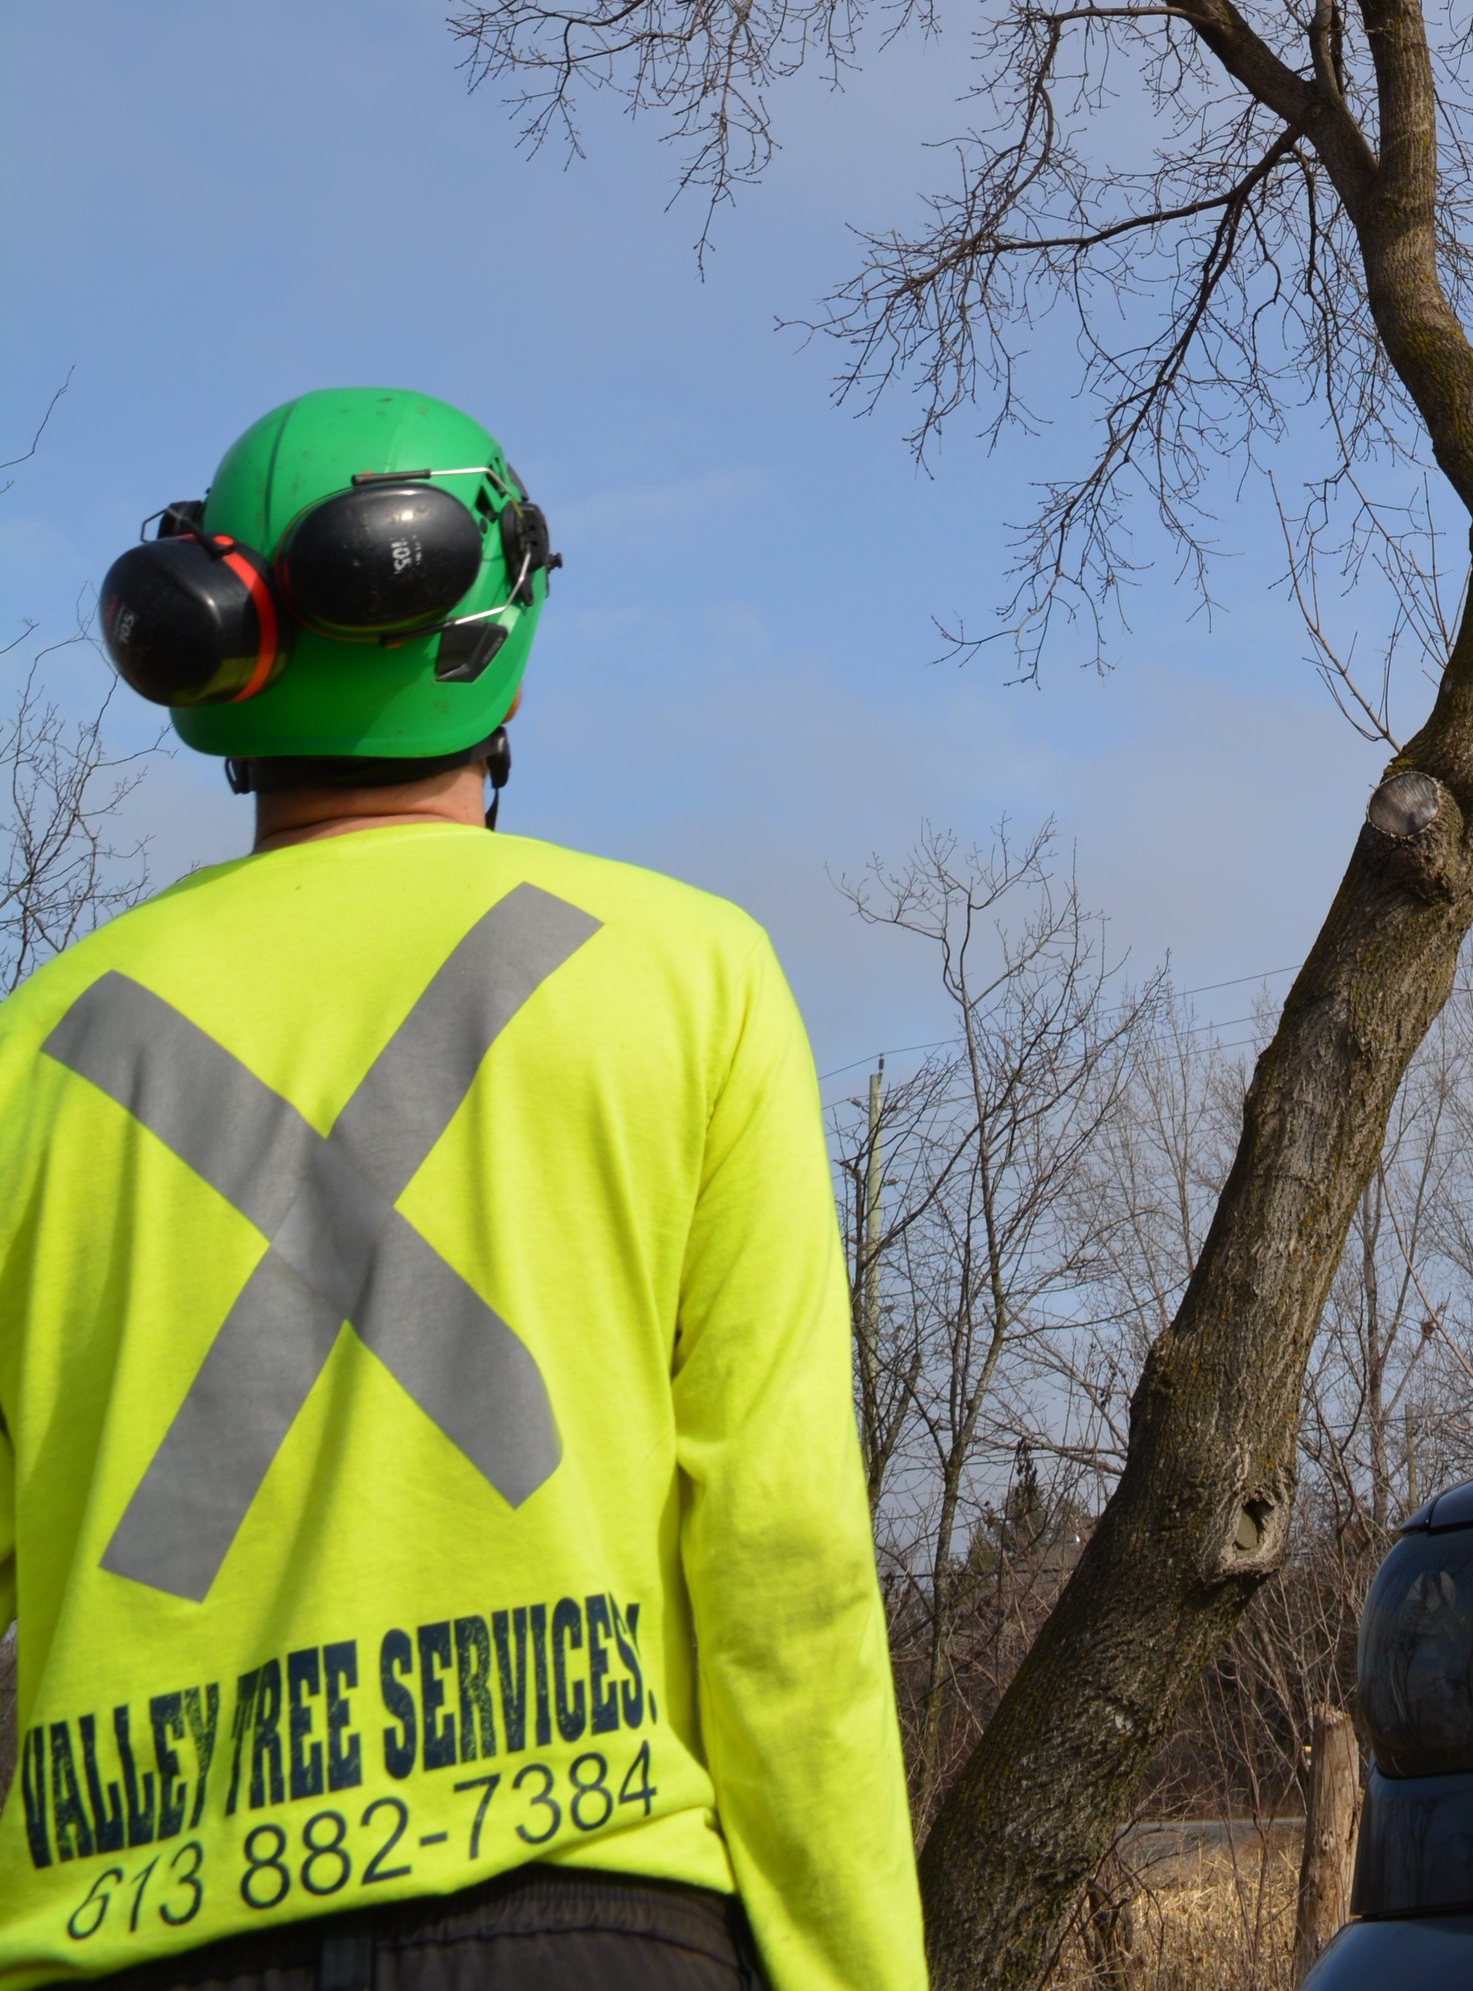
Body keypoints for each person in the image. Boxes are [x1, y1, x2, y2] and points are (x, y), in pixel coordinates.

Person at [1, 387, 922, 1991]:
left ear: (212, 641)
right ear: (497, 632)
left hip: (127, 1941)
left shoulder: (35, 1055)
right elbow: (787, 1578)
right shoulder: (691, 978)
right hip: (599, 1928)